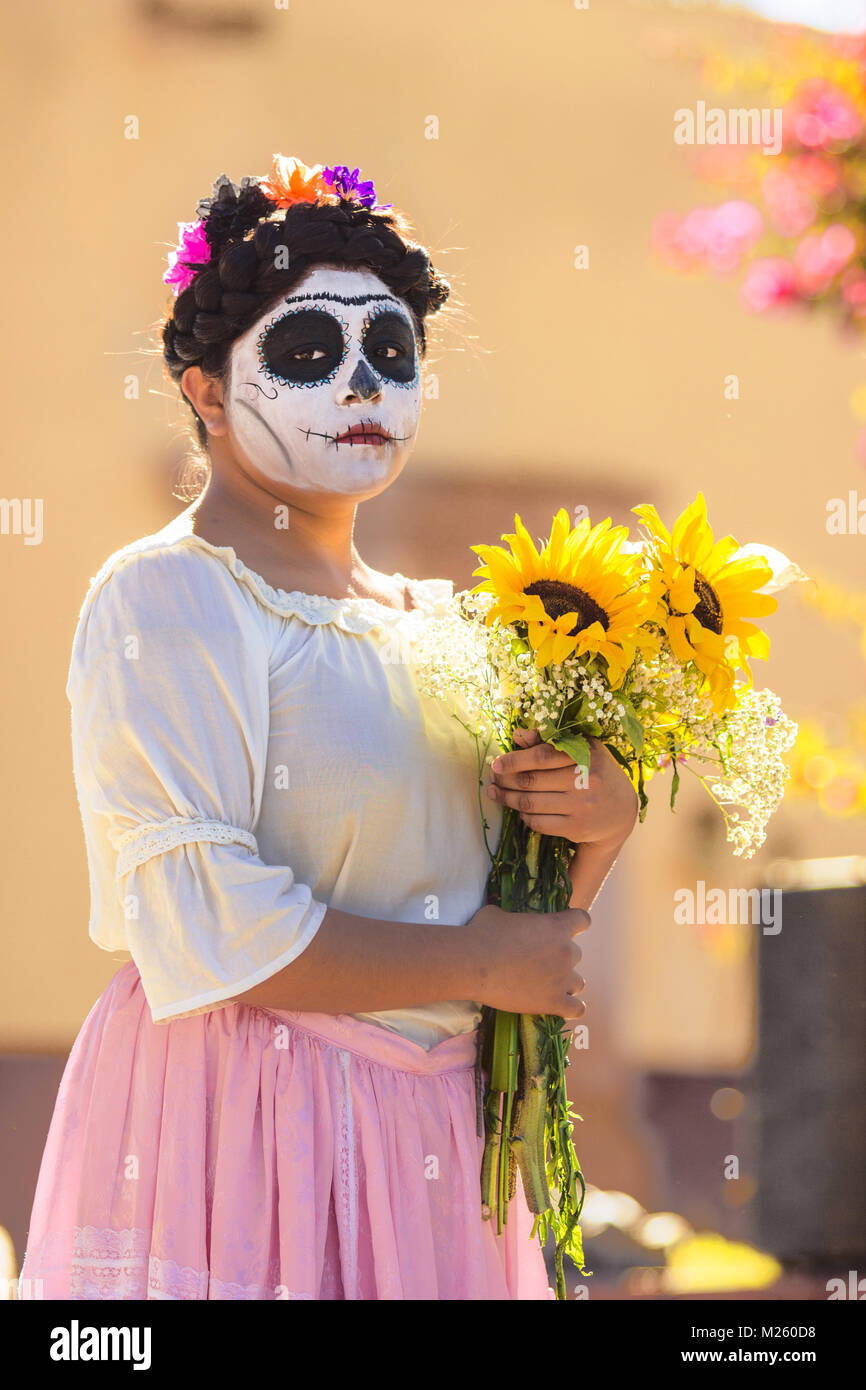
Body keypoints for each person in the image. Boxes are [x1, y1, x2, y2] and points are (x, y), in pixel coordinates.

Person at [19, 155, 637, 1300]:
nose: (361, 384)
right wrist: (478, 960)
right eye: (309, 353)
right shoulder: (169, 595)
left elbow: (521, 907)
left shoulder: (446, 621)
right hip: (246, 1126)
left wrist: (602, 815)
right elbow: (204, 922)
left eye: (390, 353)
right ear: (206, 390)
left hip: (440, 1142)